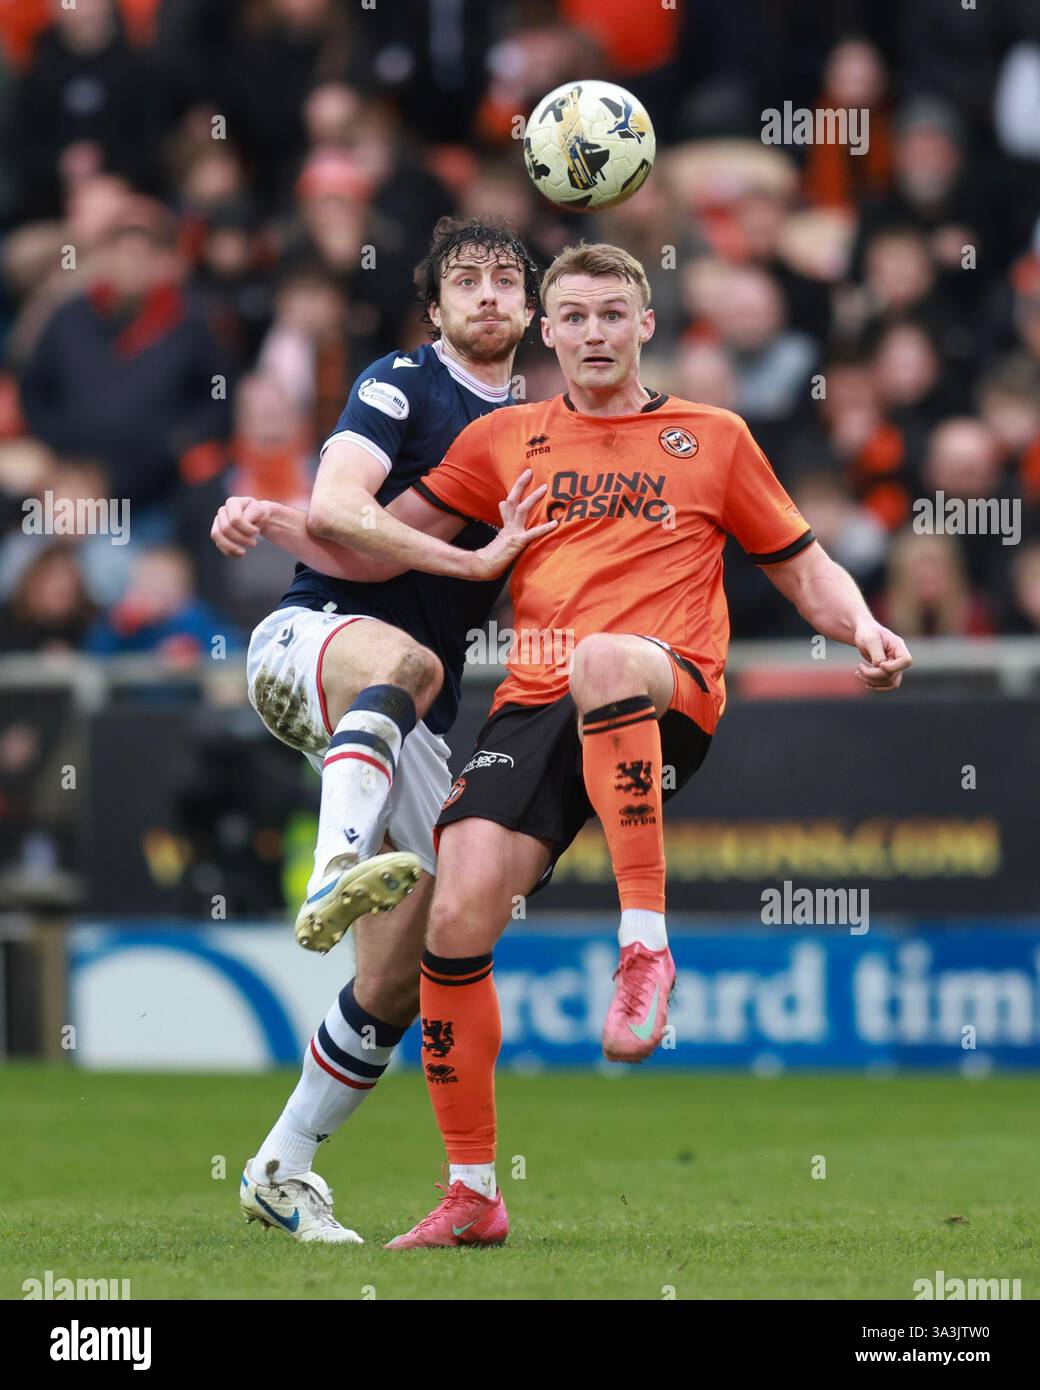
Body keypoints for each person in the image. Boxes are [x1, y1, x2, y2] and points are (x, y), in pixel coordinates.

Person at [294, 242, 912, 1248]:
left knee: (604, 662)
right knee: (454, 906)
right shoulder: (505, 440)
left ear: (645, 326)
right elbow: (373, 529)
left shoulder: (711, 436)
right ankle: (471, 1192)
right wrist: (284, 514)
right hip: (533, 703)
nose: (591, 333)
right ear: (548, 331)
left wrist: (862, 628)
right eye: (572, 316)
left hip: (663, 685)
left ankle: (644, 949)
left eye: (611, 315)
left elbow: (801, 566)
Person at [211, 216, 551, 1243]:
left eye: (505, 279)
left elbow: (364, 532)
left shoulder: (532, 430)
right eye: (466, 280)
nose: (488, 293)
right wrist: (478, 561)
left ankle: (281, 1164)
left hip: (411, 722)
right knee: (411, 658)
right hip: (307, 643)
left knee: (407, 968)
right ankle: (333, 863)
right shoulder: (403, 380)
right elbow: (341, 508)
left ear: (528, 308)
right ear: (436, 308)